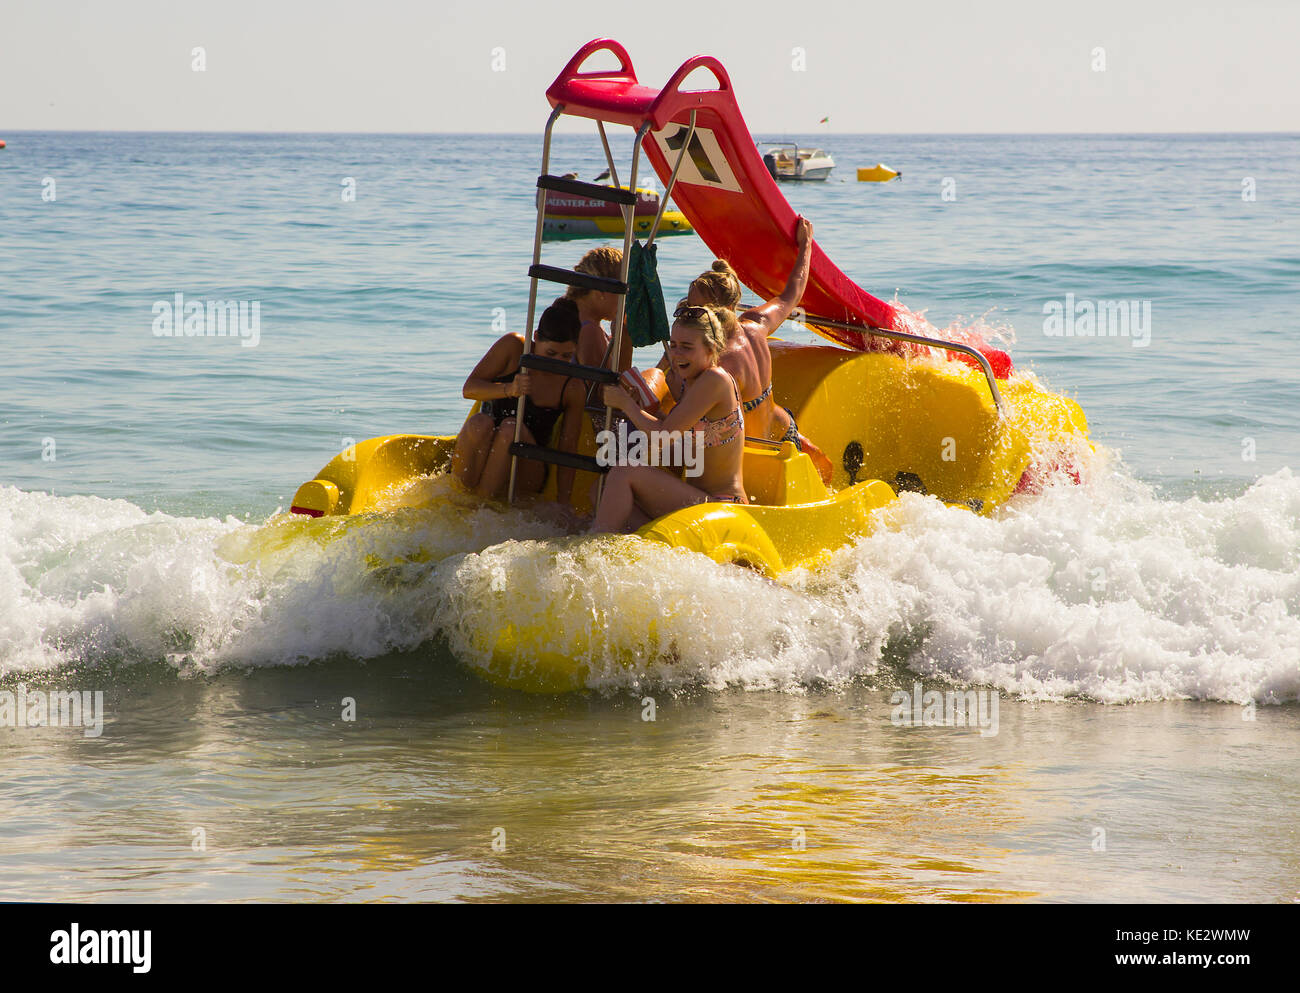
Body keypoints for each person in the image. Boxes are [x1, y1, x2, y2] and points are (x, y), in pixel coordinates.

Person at [673, 215, 834, 485]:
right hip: (784, 431)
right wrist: (806, 245)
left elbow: (686, 414)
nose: (690, 315)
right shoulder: (756, 324)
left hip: (751, 451)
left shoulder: (717, 362)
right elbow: (791, 294)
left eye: (696, 310)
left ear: (718, 311)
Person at [592, 305, 746, 533]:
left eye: (687, 347)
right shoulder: (693, 381)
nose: (677, 354)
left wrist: (625, 404)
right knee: (601, 489)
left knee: (624, 471)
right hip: (699, 500)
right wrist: (642, 408)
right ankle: (641, 545)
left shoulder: (715, 380)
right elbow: (681, 444)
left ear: (711, 349)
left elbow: (664, 436)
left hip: (722, 507)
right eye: (673, 346)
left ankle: (594, 549)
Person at [451, 297, 586, 502]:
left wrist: (563, 502)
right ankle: (456, 499)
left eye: (566, 357)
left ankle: (482, 505)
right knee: (480, 422)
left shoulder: (572, 386)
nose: (557, 363)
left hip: (528, 467)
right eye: (550, 353)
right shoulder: (514, 347)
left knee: (510, 428)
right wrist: (509, 389)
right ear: (536, 338)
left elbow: (568, 447)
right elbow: (469, 389)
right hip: (484, 450)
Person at [566, 246, 633, 372]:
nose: (625, 299)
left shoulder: (565, 311)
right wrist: (624, 338)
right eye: (623, 291)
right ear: (602, 290)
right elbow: (615, 386)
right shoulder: (590, 331)